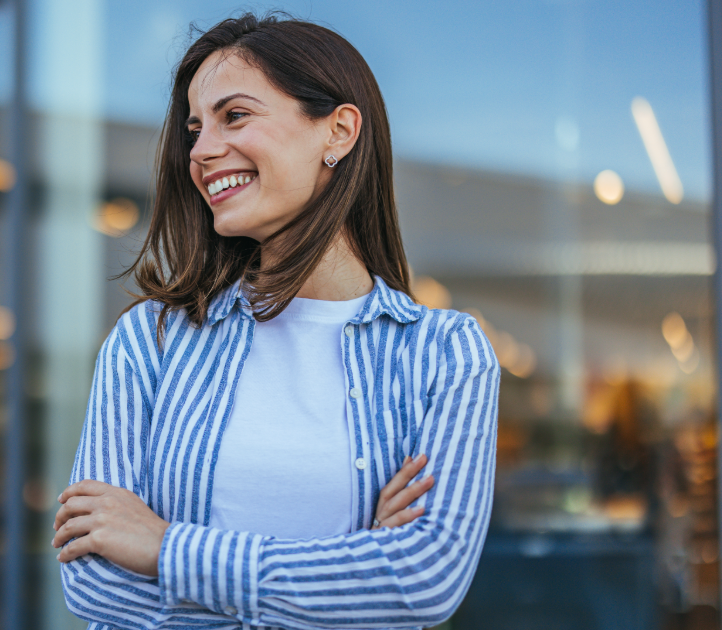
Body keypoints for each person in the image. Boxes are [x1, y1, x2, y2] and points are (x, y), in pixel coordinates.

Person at [52, 13, 499, 630]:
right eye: (194, 128)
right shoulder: (148, 342)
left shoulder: (445, 355)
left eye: (234, 116)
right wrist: (350, 570)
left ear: (338, 132)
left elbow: (423, 581)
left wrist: (163, 549)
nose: (202, 151)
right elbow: (96, 587)